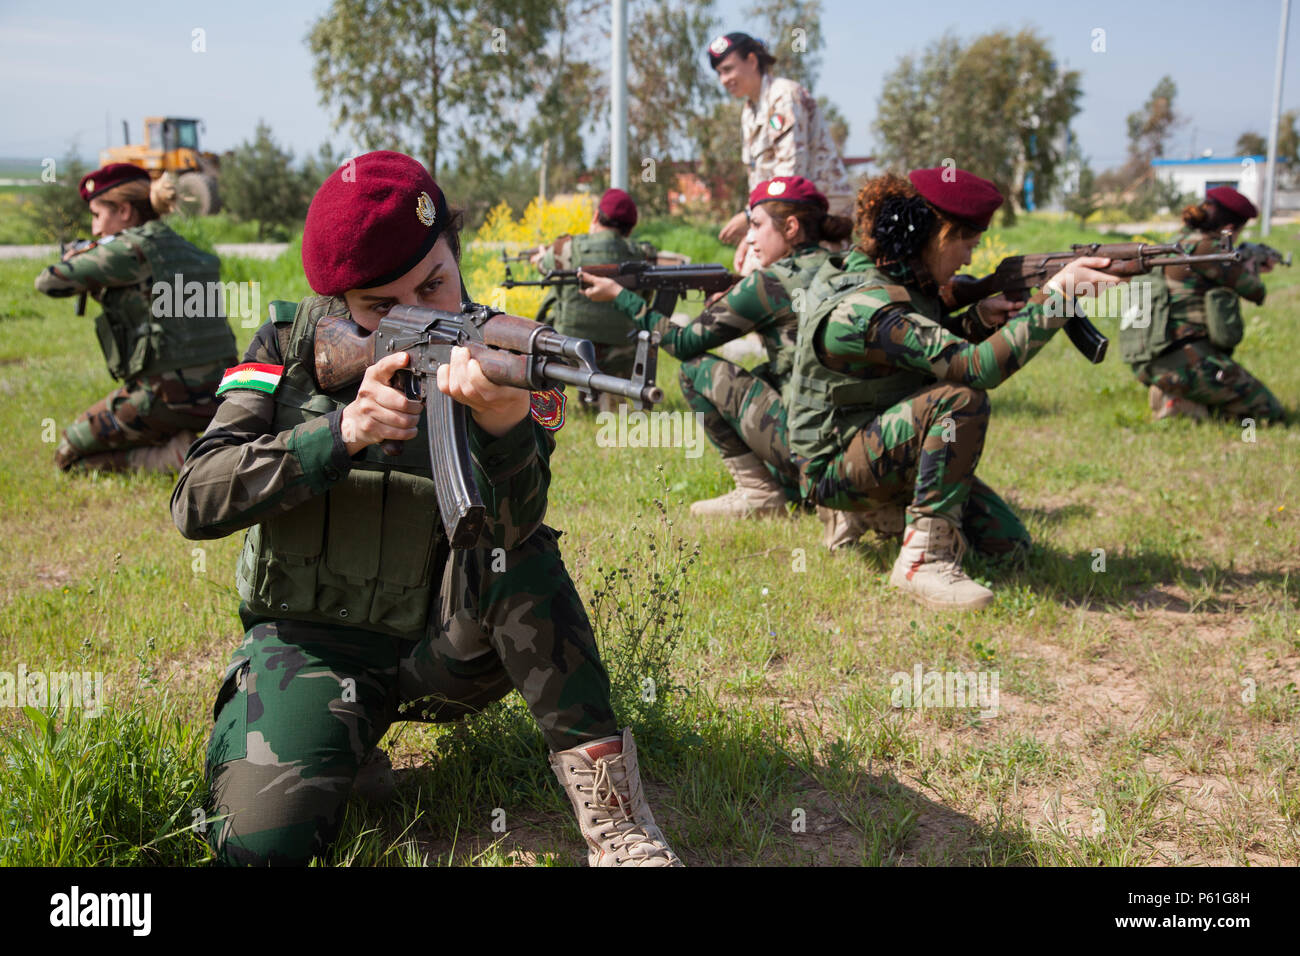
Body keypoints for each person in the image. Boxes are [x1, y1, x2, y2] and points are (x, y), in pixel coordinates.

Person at [171, 151, 681, 867]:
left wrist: (505, 429)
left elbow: (514, 527)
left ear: (456, 252)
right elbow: (196, 499)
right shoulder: (287, 347)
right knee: (257, 849)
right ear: (343, 301)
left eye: (436, 282)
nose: (424, 312)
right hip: (308, 649)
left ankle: (618, 821)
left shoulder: (500, 350)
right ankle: (337, 749)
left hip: (442, 649)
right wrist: (338, 434)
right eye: (383, 305)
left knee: (518, 549)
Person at [786, 167, 1118, 611]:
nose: (966, 259)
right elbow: (973, 368)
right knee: (960, 399)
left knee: (1010, 547)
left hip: (876, 444)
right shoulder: (865, 306)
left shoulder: (897, 282)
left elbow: (907, 357)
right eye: (966, 243)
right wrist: (1055, 299)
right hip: (834, 470)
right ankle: (922, 562)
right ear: (935, 234)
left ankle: (881, 511)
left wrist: (977, 320)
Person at [581, 176, 854, 523]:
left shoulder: (769, 282)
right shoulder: (846, 267)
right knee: (763, 374)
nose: (750, 238)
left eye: (756, 225)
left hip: (809, 443)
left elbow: (683, 343)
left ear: (791, 227)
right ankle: (795, 486)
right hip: (857, 444)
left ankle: (759, 493)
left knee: (694, 370)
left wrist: (622, 297)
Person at [34, 163, 236, 472]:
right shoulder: (189, 250)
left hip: (164, 399)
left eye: (97, 215)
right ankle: (189, 442)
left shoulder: (128, 250)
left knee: (68, 455)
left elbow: (49, 281)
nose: (95, 229)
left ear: (125, 211)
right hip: (218, 397)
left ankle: (174, 457)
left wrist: (84, 257)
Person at [1120, 186, 1287, 424]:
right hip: (1183, 360)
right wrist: (1252, 270)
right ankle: (1188, 408)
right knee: (1268, 410)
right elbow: (1255, 292)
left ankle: (1175, 395)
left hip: (1150, 359)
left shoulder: (1175, 243)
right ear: (1229, 229)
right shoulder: (1209, 250)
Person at [707, 31, 853, 275]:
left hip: (819, 219)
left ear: (752, 61)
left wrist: (748, 220)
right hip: (782, 215)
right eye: (720, 73)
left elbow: (790, 175)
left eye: (729, 69)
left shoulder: (784, 96)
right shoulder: (750, 110)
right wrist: (752, 230)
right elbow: (760, 179)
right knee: (750, 276)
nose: (724, 79)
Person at [531, 188, 657, 409]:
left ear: (596, 216)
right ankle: (609, 396)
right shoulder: (644, 256)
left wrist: (541, 257)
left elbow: (544, 267)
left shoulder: (566, 247)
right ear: (630, 228)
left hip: (567, 354)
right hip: (623, 357)